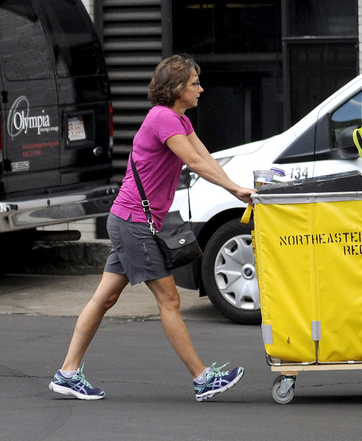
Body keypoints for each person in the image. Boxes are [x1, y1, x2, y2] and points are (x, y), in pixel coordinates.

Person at [49, 54, 255, 401]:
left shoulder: (179, 120)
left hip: (128, 220)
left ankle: (67, 373)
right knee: (170, 299)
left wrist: (237, 187)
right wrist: (234, 191)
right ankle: (202, 378)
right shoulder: (162, 119)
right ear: (176, 89)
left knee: (105, 298)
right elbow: (192, 162)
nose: (201, 89)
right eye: (194, 84)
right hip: (134, 223)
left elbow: (205, 158)